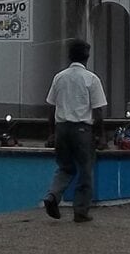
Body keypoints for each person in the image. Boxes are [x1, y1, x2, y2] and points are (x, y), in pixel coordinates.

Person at [43, 39, 107, 224]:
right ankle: (81, 211)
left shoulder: (59, 77)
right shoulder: (91, 79)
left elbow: (51, 107)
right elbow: (98, 111)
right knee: (85, 170)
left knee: (65, 167)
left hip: (61, 128)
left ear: (69, 56)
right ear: (87, 57)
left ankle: (53, 195)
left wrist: (51, 133)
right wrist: (101, 136)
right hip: (81, 129)